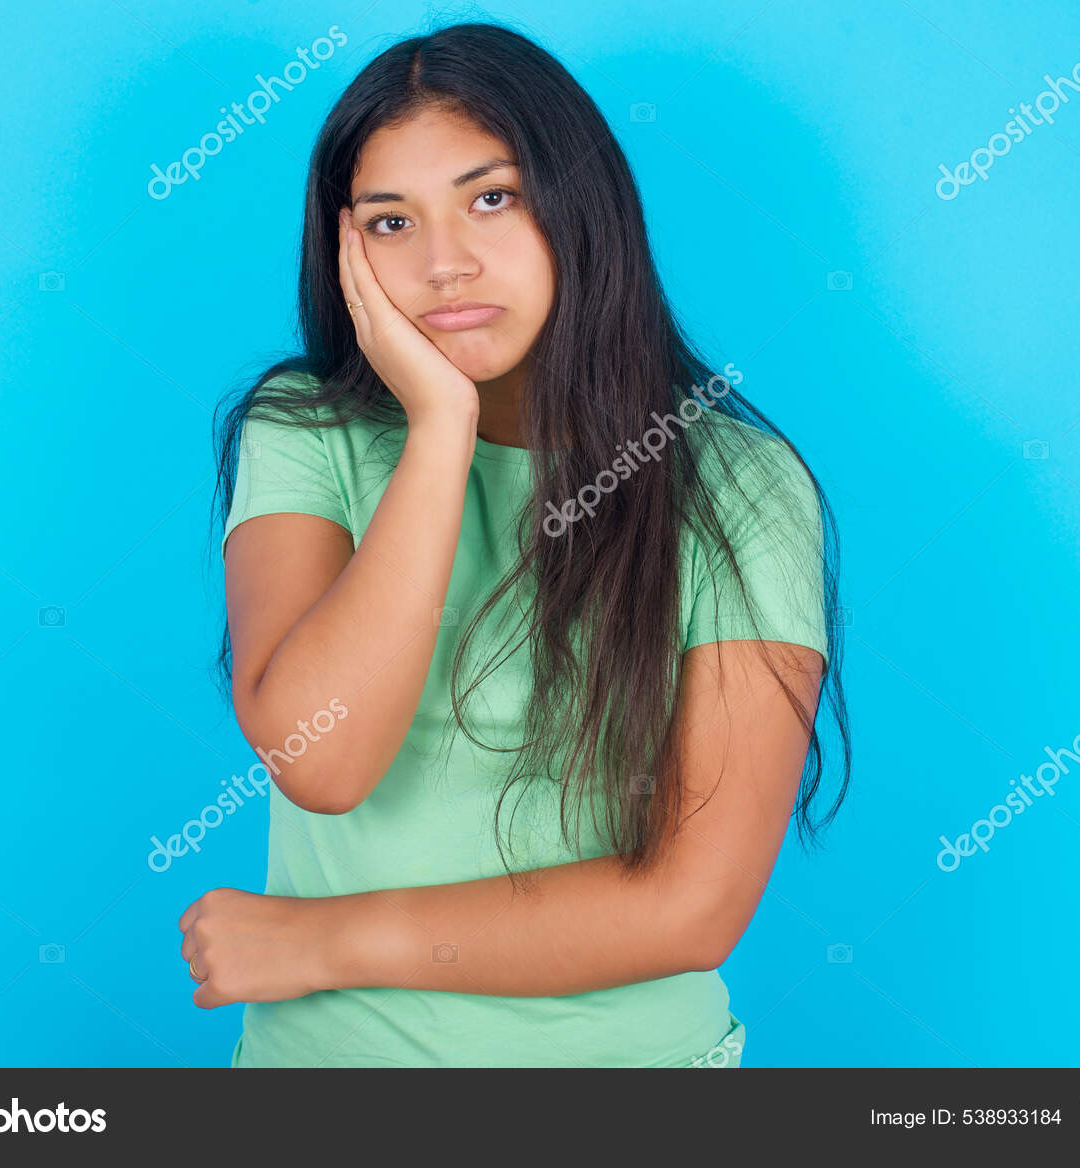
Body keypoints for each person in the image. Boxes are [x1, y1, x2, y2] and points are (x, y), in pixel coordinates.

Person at [180, 20, 849, 1068]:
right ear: (344, 248)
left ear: (578, 204)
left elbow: (690, 906)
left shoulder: (735, 486)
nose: (446, 264)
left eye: (491, 198)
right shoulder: (302, 429)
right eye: (391, 222)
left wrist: (326, 940)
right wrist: (440, 431)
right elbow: (324, 760)